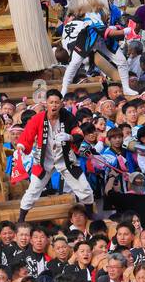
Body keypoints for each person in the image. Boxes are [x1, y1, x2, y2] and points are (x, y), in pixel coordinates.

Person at [16, 90, 94, 218]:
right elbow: (27, 135)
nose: (54, 105)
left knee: (84, 188)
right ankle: (21, 219)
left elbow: (78, 133)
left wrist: (69, 137)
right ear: (46, 103)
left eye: (57, 102)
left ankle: (90, 217)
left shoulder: (68, 117)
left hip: (64, 158)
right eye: (51, 102)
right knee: (33, 190)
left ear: (61, 104)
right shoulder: (38, 118)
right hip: (43, 159)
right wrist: (20, 147)